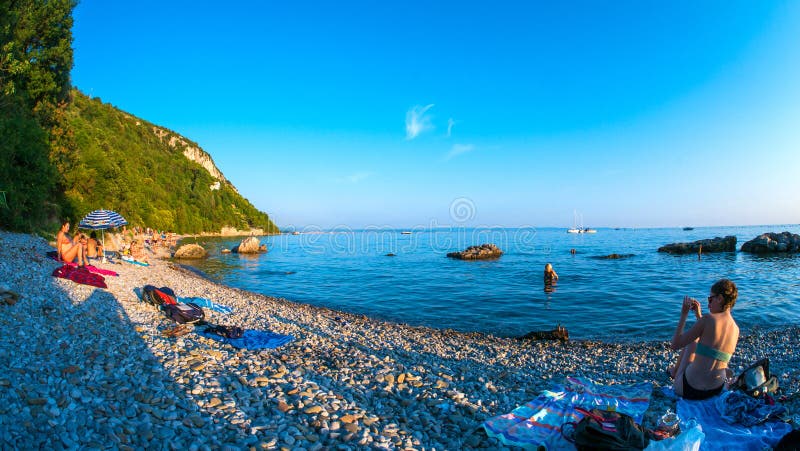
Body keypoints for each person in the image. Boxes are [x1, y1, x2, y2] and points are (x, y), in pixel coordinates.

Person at [671, 279, 739, 400]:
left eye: (710, 299)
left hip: (689, 389)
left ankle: (675, 372)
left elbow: (675, 345)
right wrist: (698, 315)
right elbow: (711, 338)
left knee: (693, 342)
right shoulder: (735, 329)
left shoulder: (708, 319)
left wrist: (684, 314)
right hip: (716, 390)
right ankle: (676, 371)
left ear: (720, 298)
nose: (708, 304)